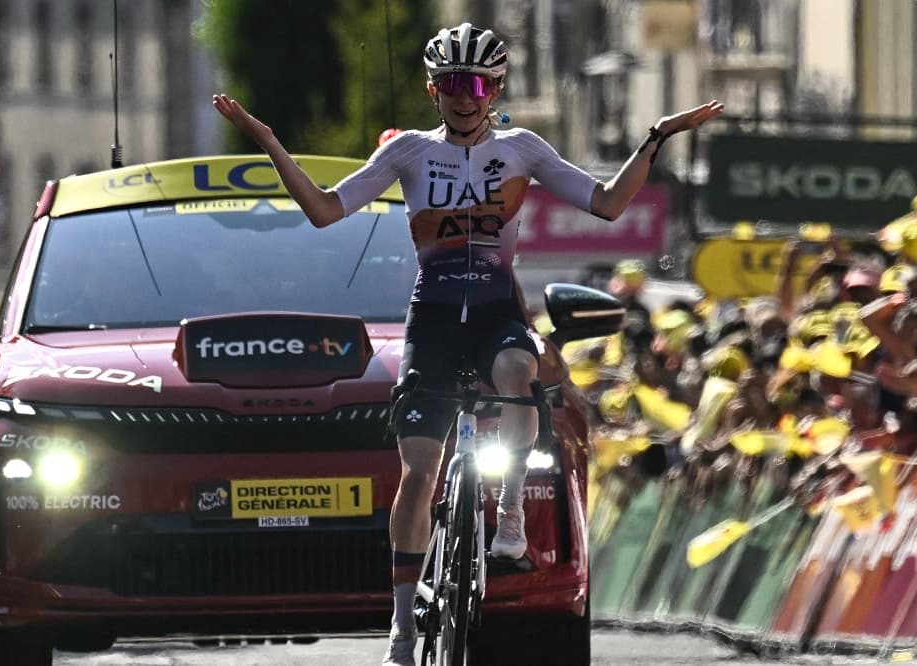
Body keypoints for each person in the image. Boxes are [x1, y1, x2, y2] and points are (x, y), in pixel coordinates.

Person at [213, 21, 723, 665]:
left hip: (494, 314)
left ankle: (507, 510)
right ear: (434, 90)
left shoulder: (523, 149)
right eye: (453, 83)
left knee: (519, 365)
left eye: (477, 83)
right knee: (419, 472)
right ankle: (401, 629)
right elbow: (324, 209)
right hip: (432, 323)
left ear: (495, 88)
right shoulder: (408, 155)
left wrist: (658, 136)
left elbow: (608, 203)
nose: (465, 95)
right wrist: (267, 141)